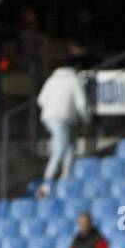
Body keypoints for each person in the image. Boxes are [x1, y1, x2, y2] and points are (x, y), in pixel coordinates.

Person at [36, 57, 89, 188]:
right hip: (62, 118)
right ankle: (48, 179)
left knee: (70, 146)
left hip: (49, 118)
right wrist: (87, 119)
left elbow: (40, 100)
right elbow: (81, 104)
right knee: (60, 147)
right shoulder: (74, 80)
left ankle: (66, 176)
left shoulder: (51, 80)